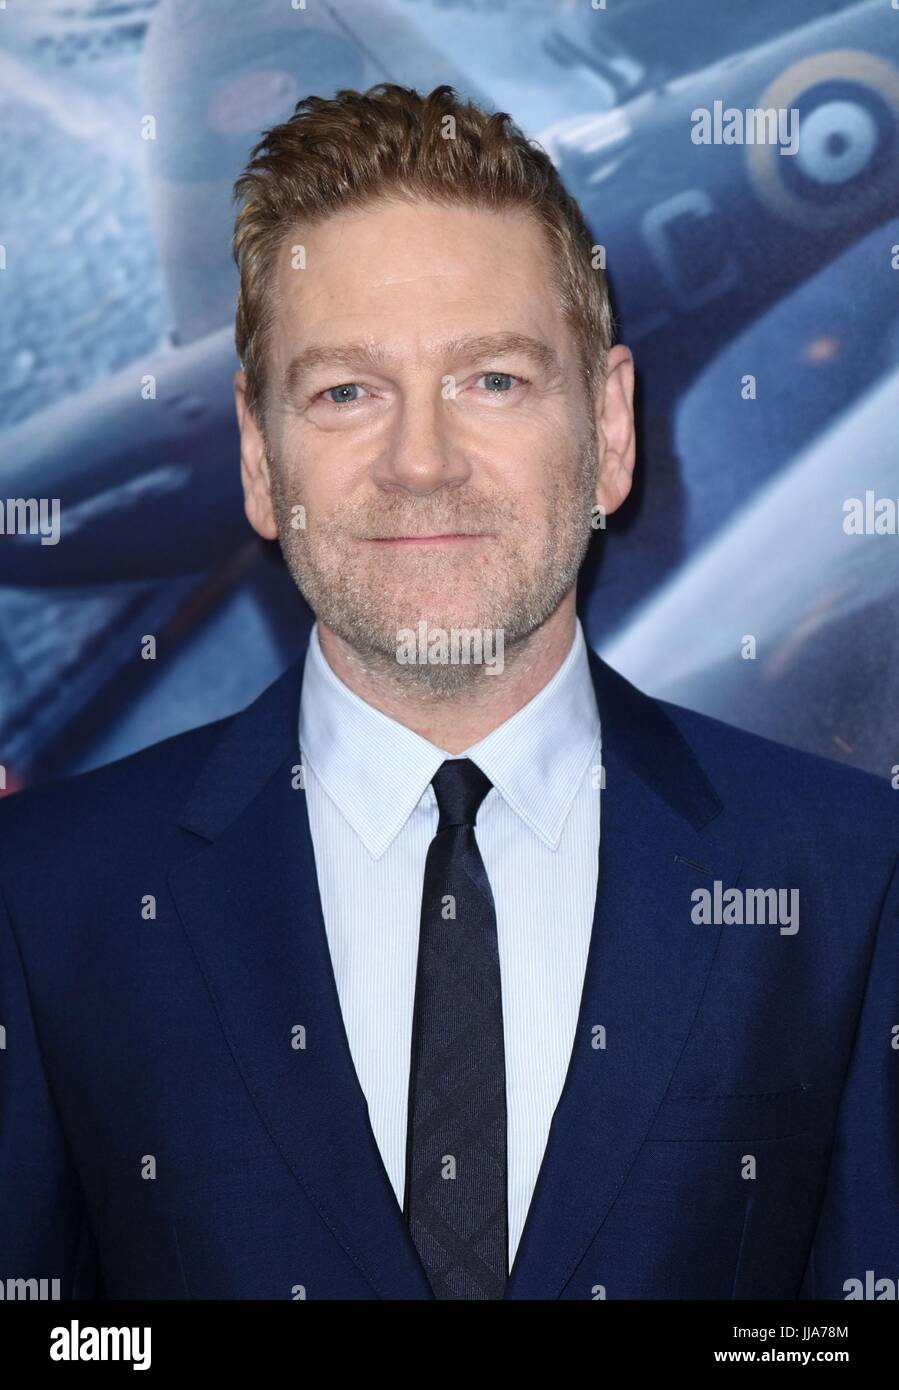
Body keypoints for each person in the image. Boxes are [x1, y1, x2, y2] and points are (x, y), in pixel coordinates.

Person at [1, 83, 897, 1302]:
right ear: (260, 465)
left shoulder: (850, 876)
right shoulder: (43, 897)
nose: (420, 462)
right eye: (344, 392)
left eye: (493, 380)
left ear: (612, 430)